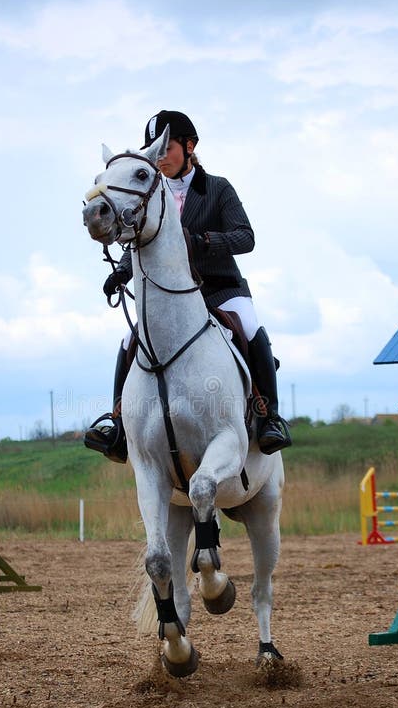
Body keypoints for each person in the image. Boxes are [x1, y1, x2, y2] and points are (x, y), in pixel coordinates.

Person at [84, 109, 291, 463]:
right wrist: (122, 272)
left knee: (252, 326)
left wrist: (203, 241)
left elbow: (246, 237)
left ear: (189, 146)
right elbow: (138, 237)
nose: (159, 155)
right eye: (153, 148)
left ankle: (269, 415)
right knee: (129, 340)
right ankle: (118, 423)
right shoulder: (149, 191)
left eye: (165, 148)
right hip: (170, 298)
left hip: (220, 290)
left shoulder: (217, 188)